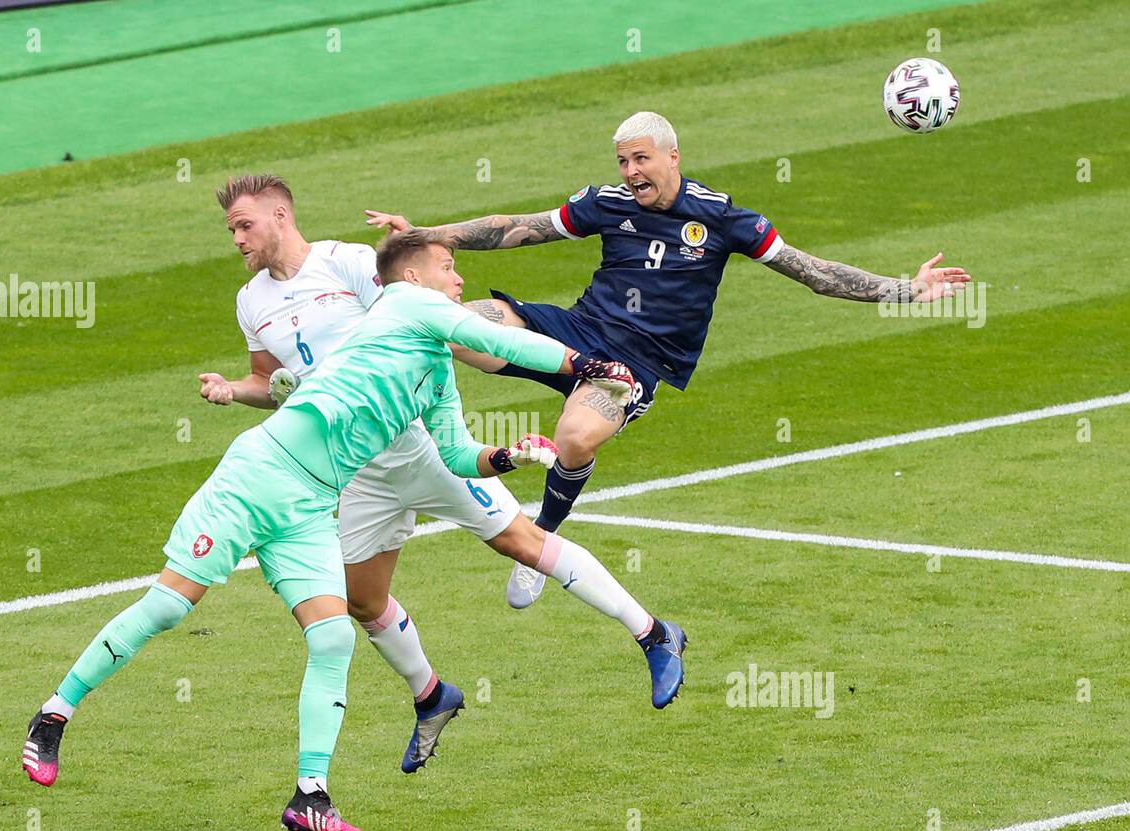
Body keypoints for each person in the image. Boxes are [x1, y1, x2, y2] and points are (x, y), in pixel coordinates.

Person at [20, 215, 647, 831]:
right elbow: (513, 346)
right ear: (410, 275)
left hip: (312, 508)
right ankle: (53, 715)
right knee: (167, 607)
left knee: (331, 640)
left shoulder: (433, 368)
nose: (459, 278)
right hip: (260, 475)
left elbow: (456, 453)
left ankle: (309, 796)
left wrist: (509, 456)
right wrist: (589, 364)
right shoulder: (408, 305)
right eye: (447, 266)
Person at [365, 110, 971, 608]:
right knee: (453, 325)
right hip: (575, 330)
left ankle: (543, 533)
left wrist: (903, 289)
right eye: (623, 162)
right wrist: (423, 237)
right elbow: (515, 227)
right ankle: (396, 425)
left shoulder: (724, 219)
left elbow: (812, 273)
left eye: (641, 159)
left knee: (574, 438)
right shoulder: (606, 203)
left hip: (638, 363)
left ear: (672, 157)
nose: (631, 172)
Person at [199, 177, 690, 778]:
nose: (237, 239)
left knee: (520, 542)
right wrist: (235, 390)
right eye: (232, 230)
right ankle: (432, 696)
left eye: (244, 225)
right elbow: (269, 380)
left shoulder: (347, 263)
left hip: (417, 443)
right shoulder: (251, 300)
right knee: (362, 599)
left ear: (280, 216)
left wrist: (422, 245)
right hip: (356, 467)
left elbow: (423, 296)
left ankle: (654, 633)